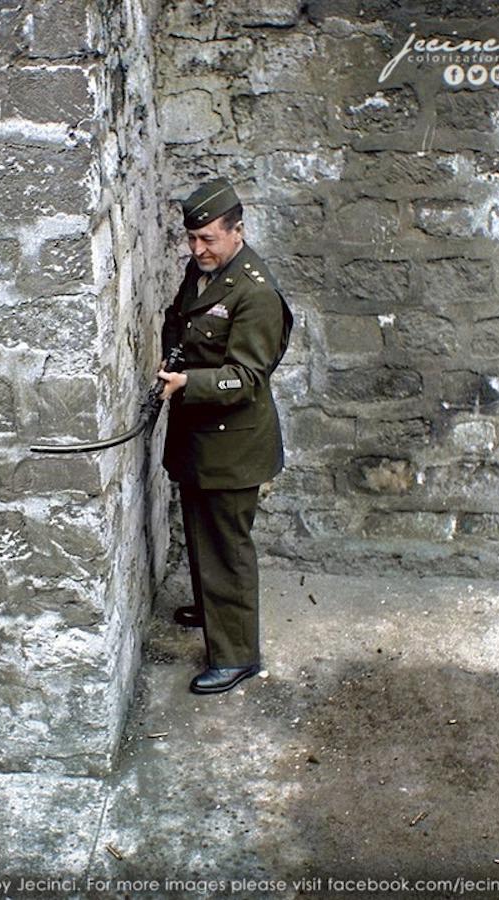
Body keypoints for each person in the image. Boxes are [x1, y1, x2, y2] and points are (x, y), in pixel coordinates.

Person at [157, 179, 293, 696]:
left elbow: (248, 377)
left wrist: (189, 382)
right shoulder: (205, 271)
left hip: (232, 444)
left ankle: (236, 655)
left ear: (237, 231)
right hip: (200, 435)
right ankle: (215, 607)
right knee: (201, 533)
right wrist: (174, 359)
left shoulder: (255, 292)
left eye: (209, 239)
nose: (198, 250)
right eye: (193, 240)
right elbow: (180, 322)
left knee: (226, 547)